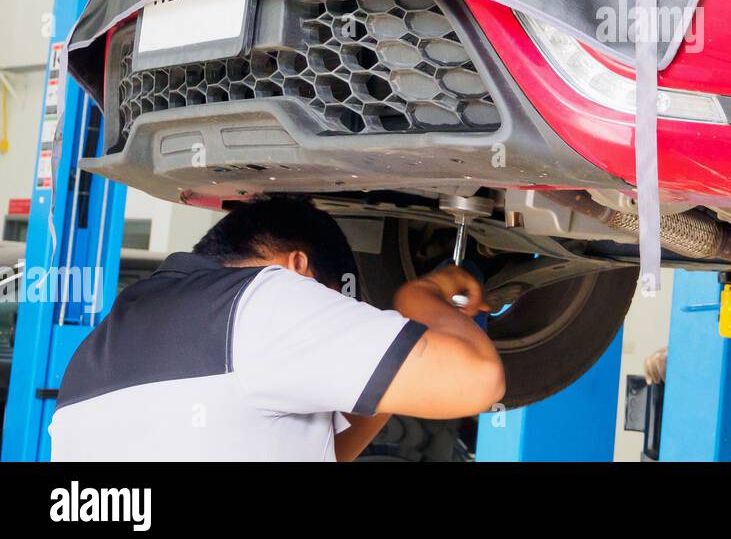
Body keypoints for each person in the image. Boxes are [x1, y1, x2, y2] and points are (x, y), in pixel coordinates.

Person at [49, 197, 503, 461]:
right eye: (334, 301)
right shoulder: (263, 300)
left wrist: (389, 373)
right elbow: (477, 380)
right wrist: (419, 301)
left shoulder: (90, 358)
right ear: (297, 268)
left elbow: (315, 450)